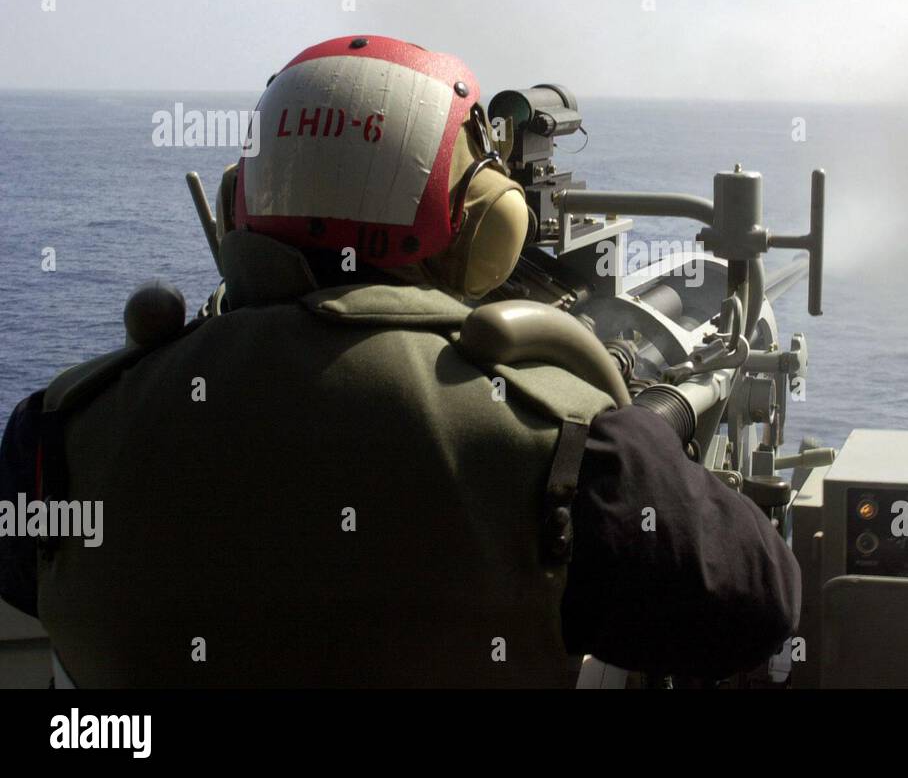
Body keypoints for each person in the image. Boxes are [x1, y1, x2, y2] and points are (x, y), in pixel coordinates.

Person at [0, 35, 799, 687]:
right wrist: (644, 437)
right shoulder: (564, 448)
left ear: (242, 201)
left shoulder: (58, 431)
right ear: (486, 223)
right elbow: (756, 607)